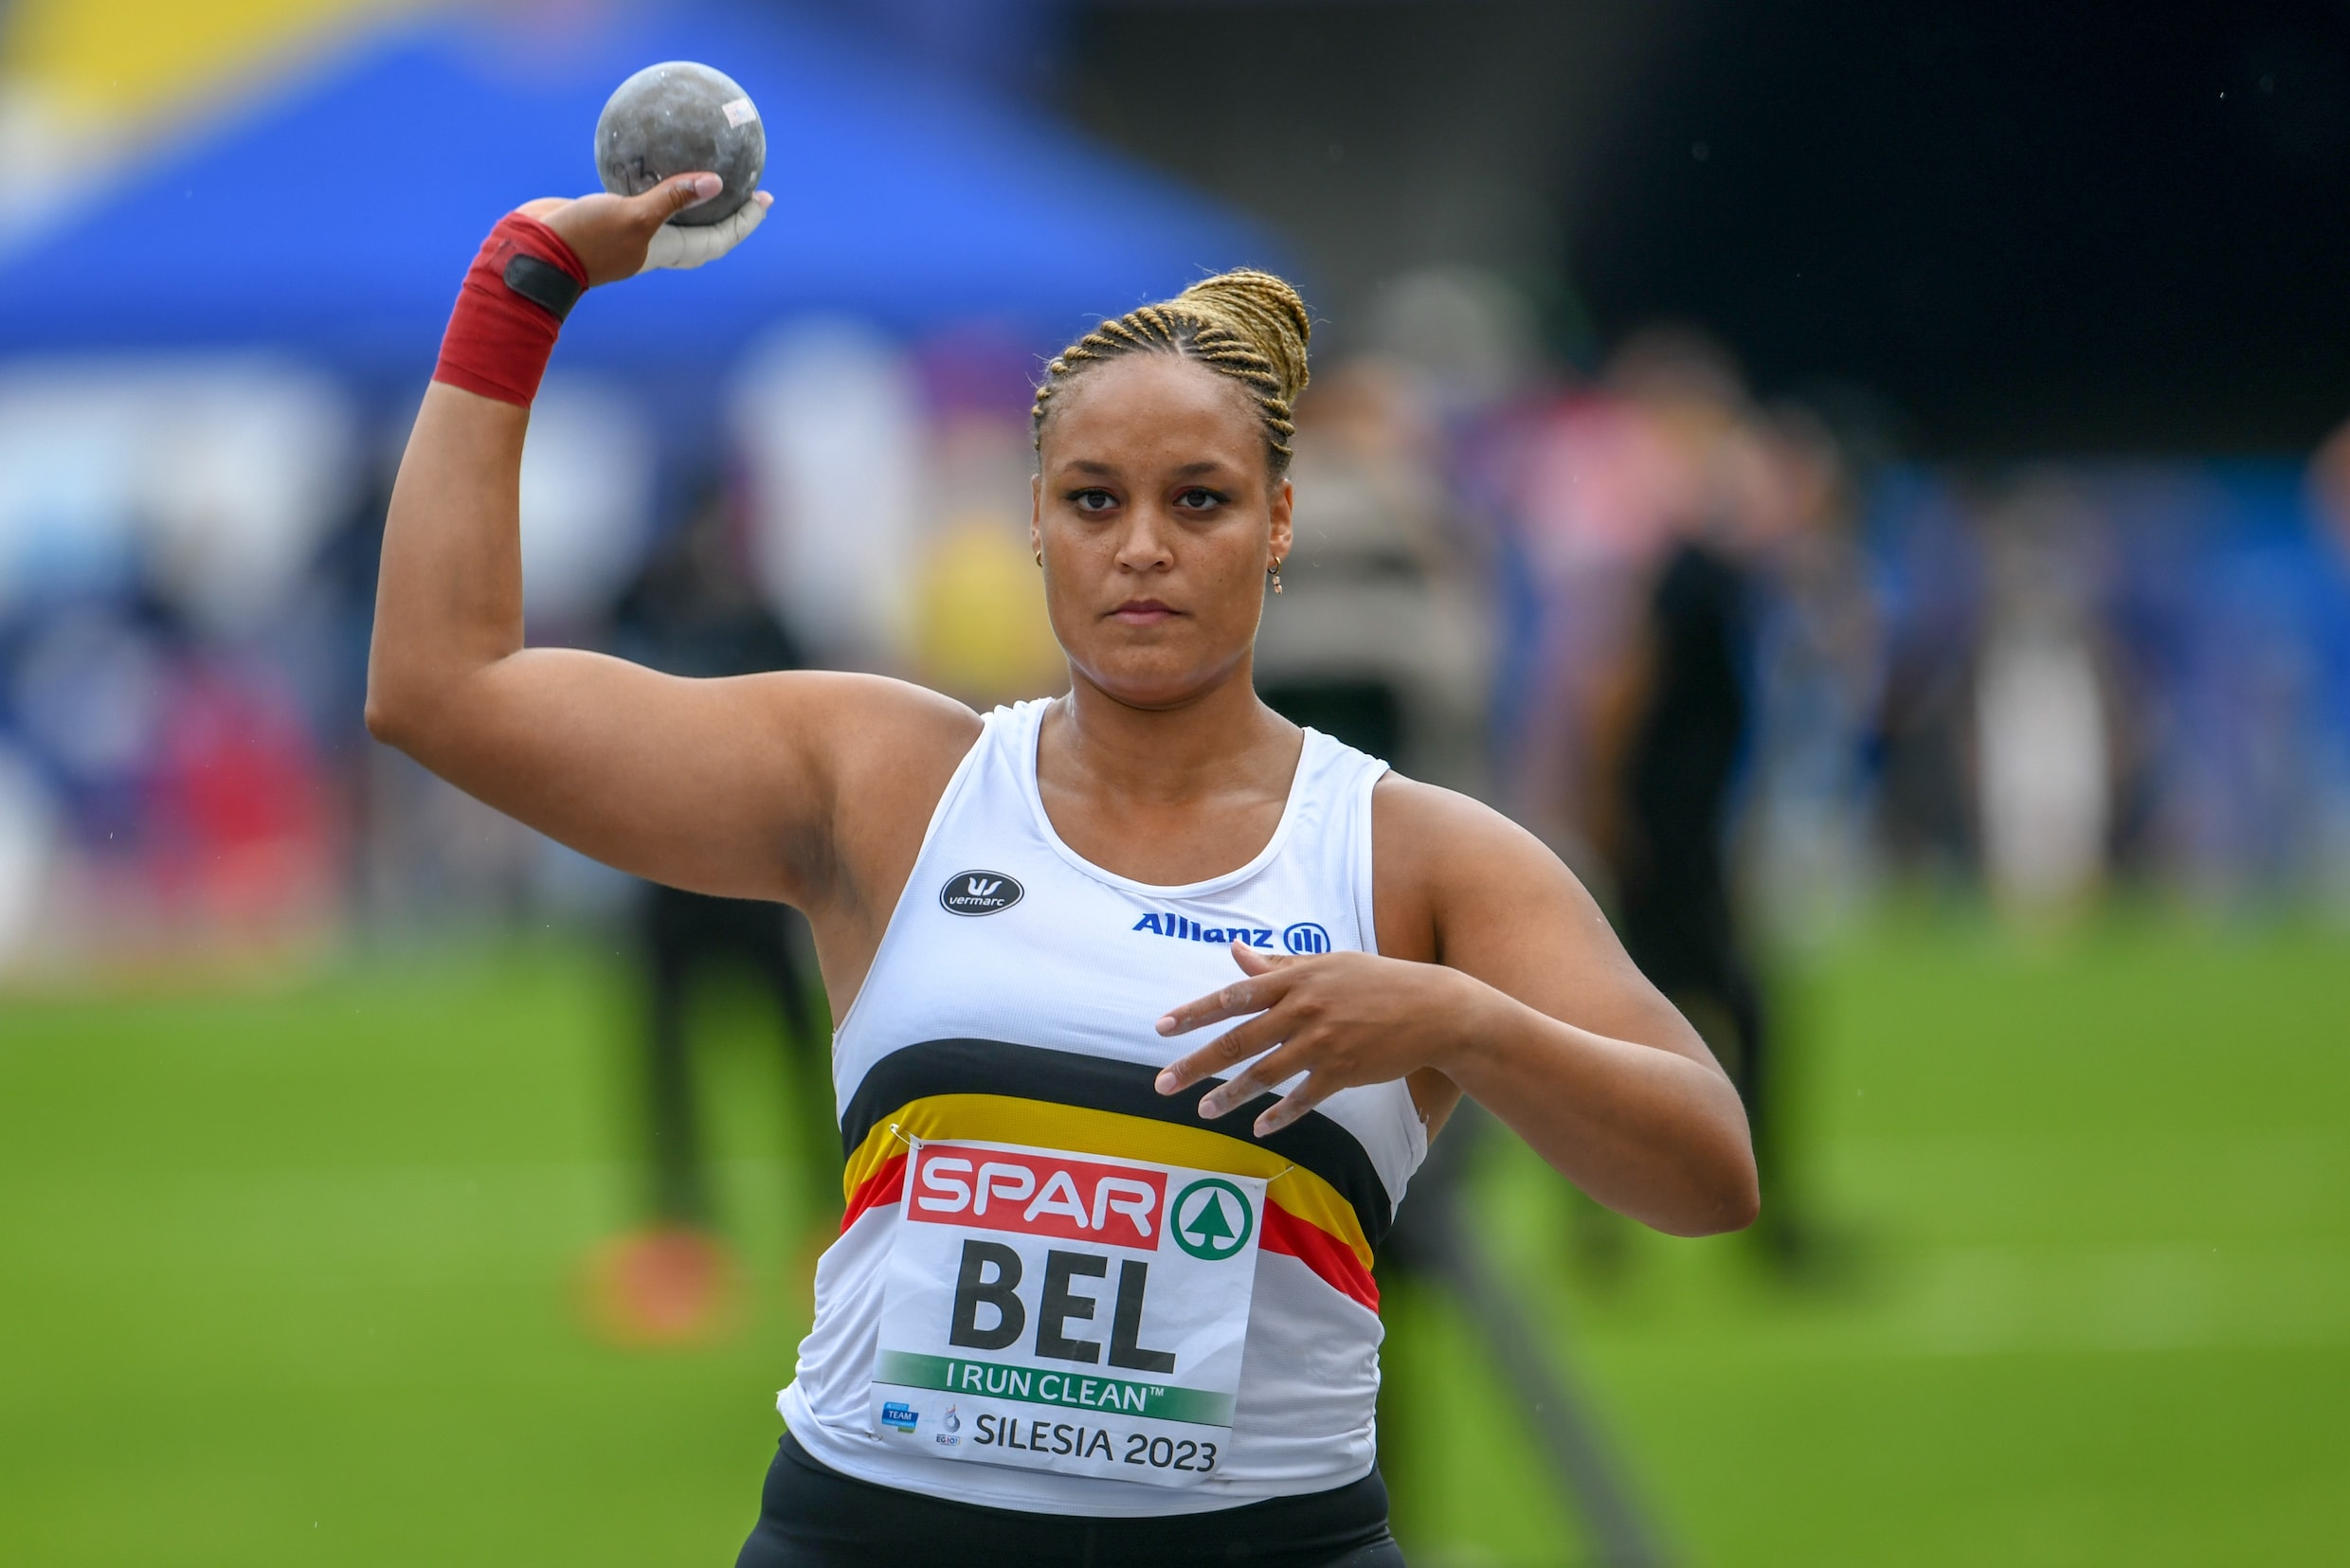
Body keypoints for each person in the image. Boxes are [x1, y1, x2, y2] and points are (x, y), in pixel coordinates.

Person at [367, 171, 1758, 1568]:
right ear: (1035, 520)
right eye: (1094, 501)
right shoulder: (889, 782)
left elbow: (1709, 1170)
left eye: (1199, 502)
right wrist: (521, 286)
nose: (1141, 548)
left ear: (1279, 524)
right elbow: (442, 690)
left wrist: (1462, 1021)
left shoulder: (1417, 855)